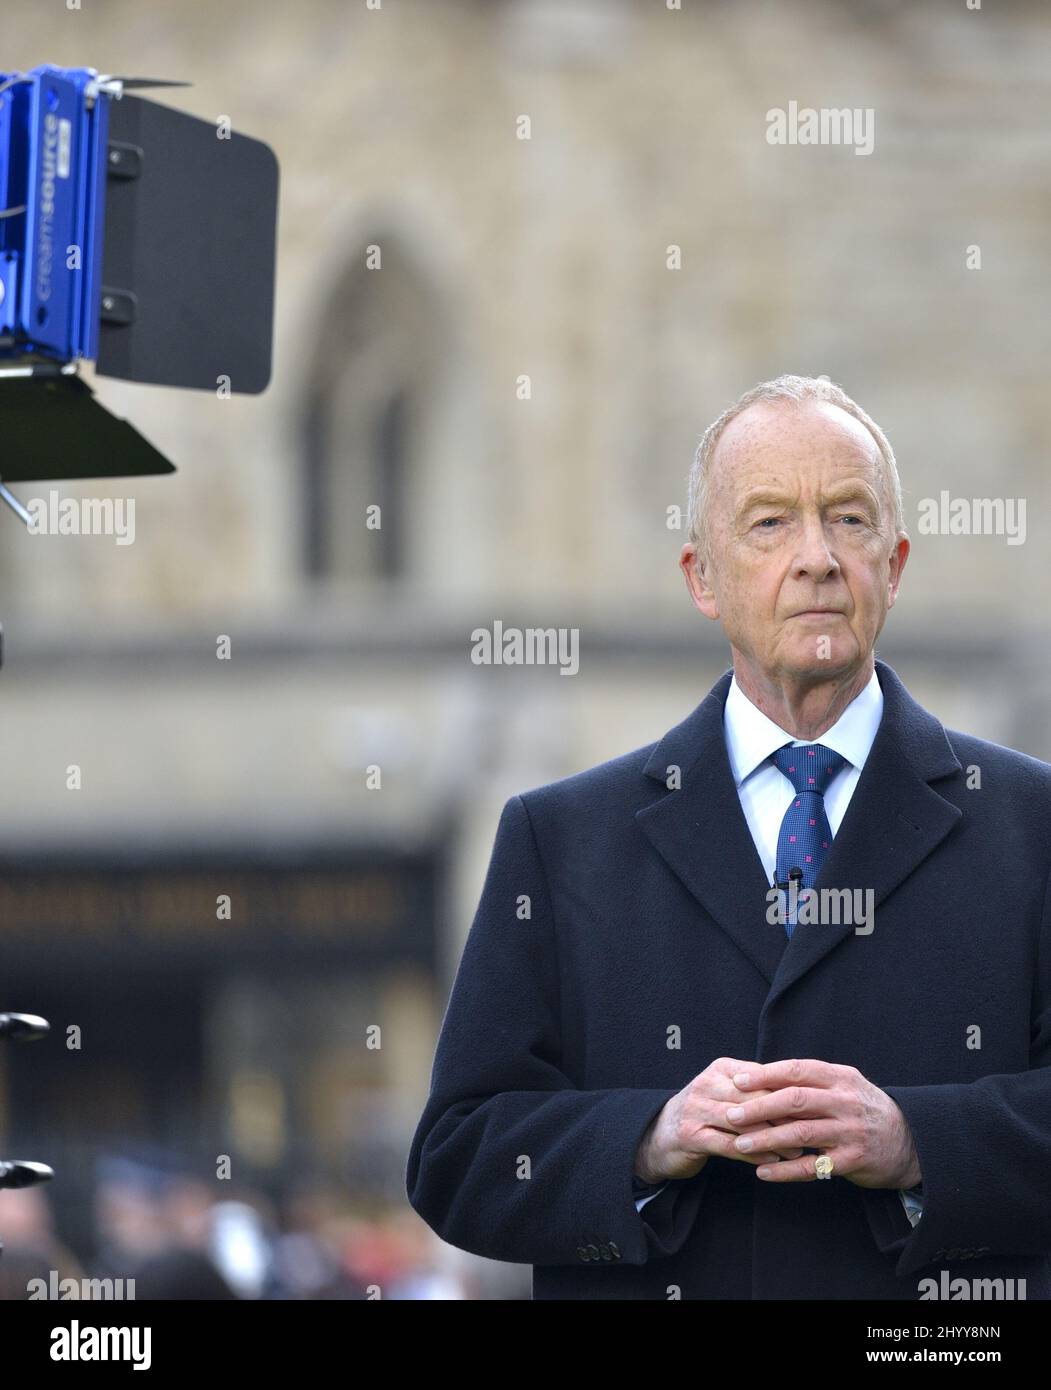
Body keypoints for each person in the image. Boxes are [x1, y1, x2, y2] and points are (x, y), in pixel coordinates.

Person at [406, 375, 1051, 1299]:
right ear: (700, 579)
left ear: (895, 567)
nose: (817, 557)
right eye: (769, 523)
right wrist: (646, 1139)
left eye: (849, 520)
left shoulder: (1028, 827)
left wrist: (917, 1143)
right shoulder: (559, 842)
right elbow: (457, 1159)